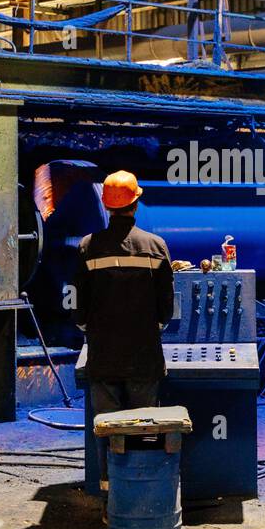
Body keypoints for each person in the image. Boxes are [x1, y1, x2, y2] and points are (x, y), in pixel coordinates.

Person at [73, 170, 176, 493]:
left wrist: (91, 329)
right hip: (144, 357)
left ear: (107, 207)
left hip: (103, 357)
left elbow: (79, 304)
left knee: (107, 428)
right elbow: (166, 307)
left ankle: (111, 496)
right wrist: (151, 327)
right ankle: (141, 492)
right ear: (136, 204)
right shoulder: (156, 247)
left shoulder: (89, 247)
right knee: (144, 426)